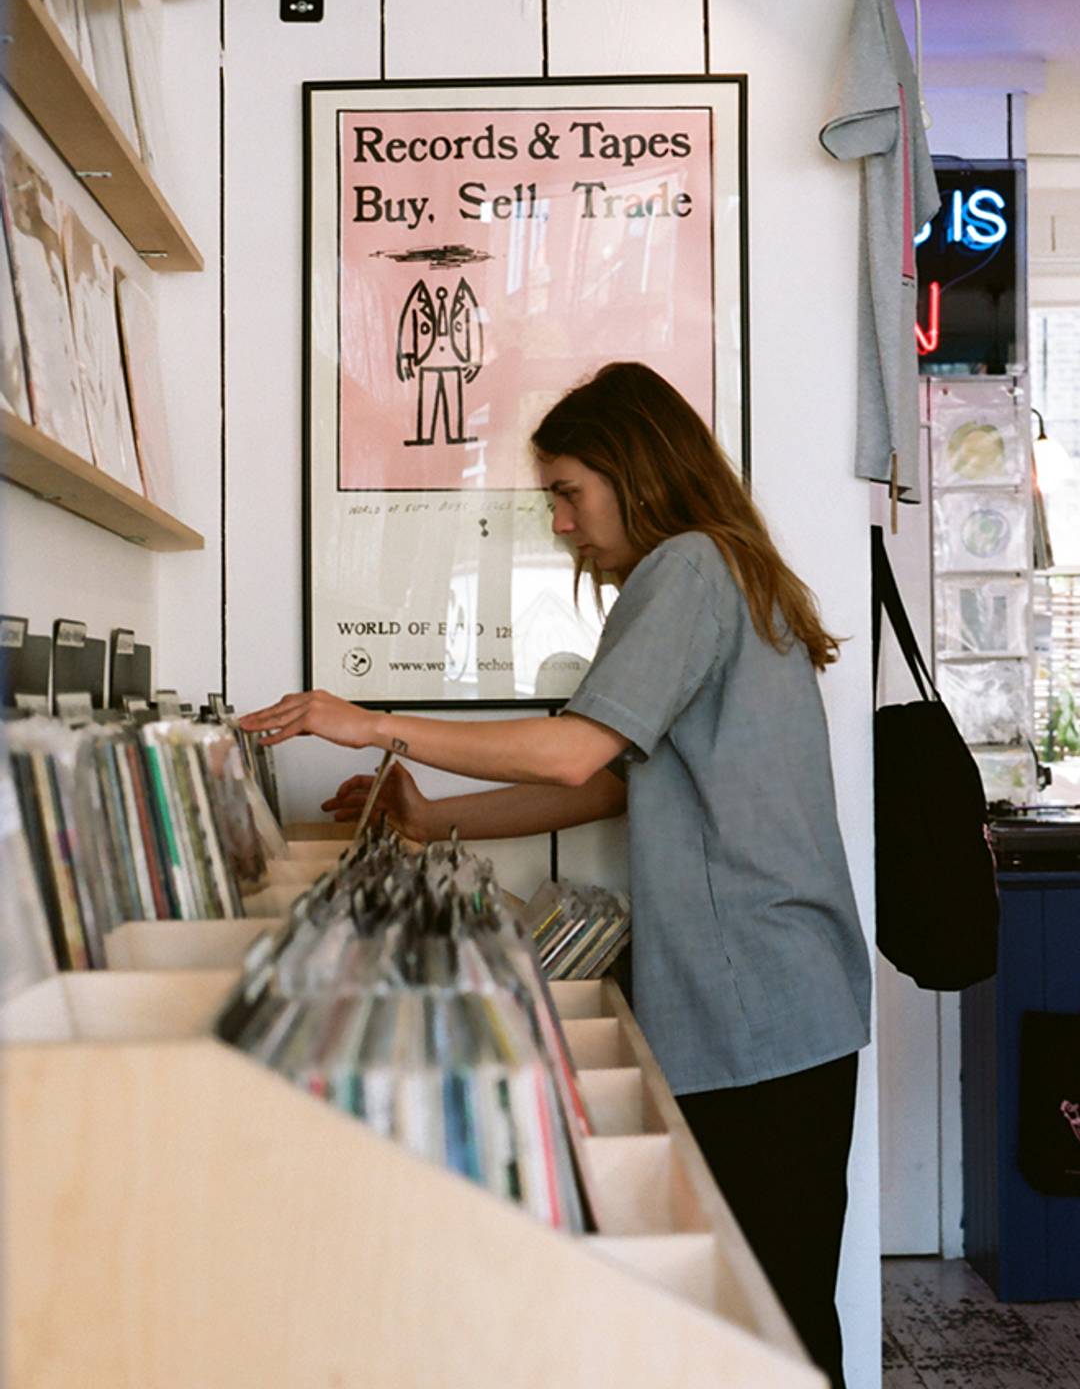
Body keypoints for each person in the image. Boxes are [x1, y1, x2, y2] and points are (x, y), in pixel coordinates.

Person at [239, 362, 871, 1389]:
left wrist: (374, 721)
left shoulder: (690, 570)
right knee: (767, 1313)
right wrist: (433, 820)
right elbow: (613, 782)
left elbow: (576, 753)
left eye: (569, 493)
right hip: (781, 1004)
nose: (564, 525)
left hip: (755, 1000)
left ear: (637, 470)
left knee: (766, 1329)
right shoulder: (720, 573)